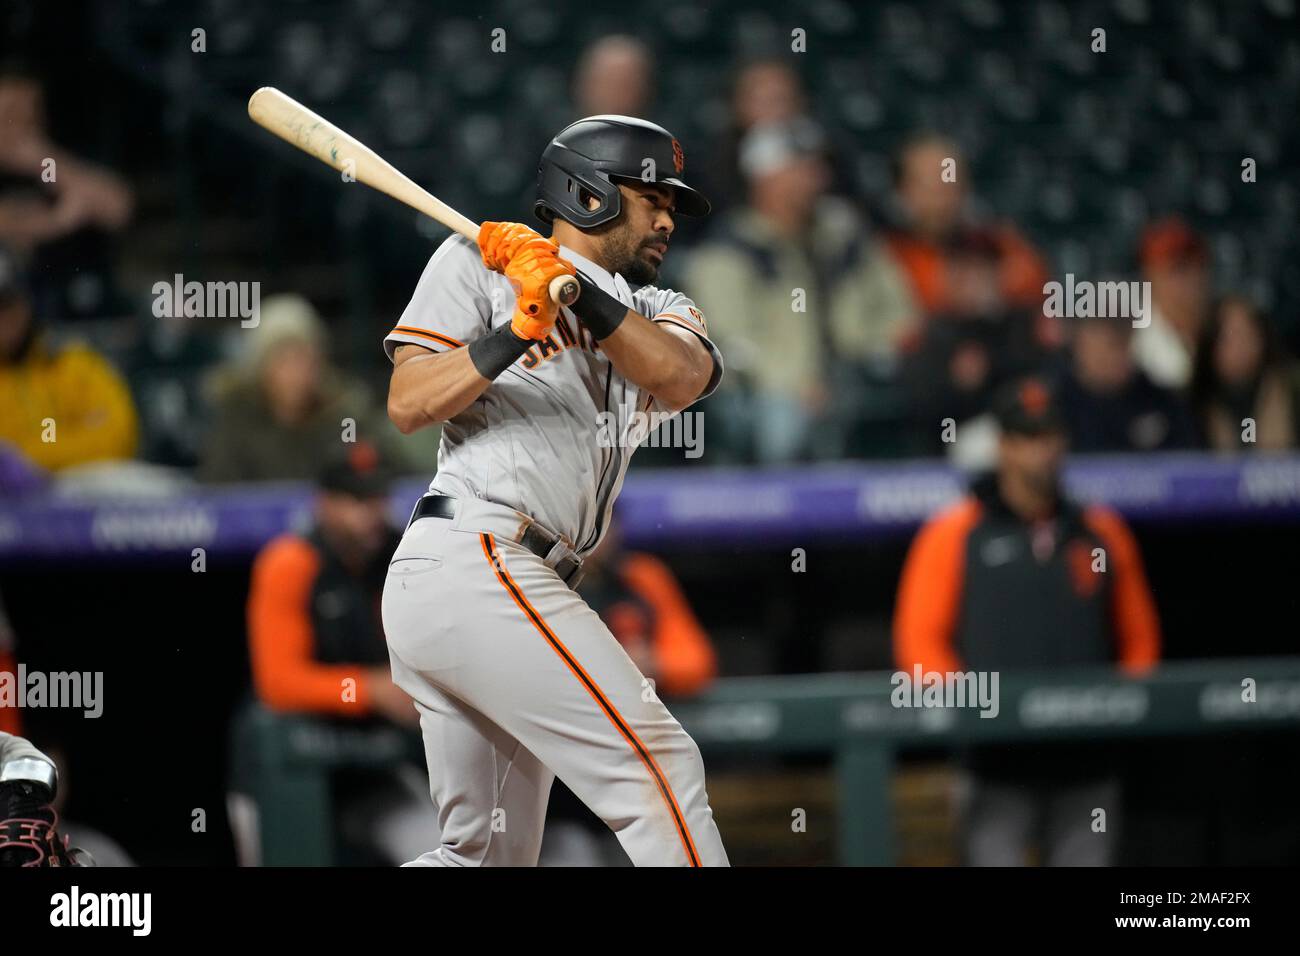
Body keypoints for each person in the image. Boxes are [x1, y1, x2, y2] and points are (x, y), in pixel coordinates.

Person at [380, 115, 729, 866]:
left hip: (510, 579)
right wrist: (516, 326)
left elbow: (679, 376)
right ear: (589, 192)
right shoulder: (475, 261)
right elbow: (408, 404)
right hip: (473, 555)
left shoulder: (664, 310)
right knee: (660, 768)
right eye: (651, 197)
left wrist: (575, 296)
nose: (668, 218)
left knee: (484, 856)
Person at [893, 377, 1161, 866]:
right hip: (995, 766)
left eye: (1049, 434)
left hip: (1087, 760)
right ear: (1003, 446)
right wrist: (979, 713)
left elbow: (1140, 642)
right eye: (1026, 437)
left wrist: (1116, 708)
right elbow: (919, 645)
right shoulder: (954, 532)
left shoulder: (1101, 532)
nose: (1040, 450)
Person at [245, 441, 438, 865]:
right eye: (356, 500)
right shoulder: (291, 562)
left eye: (377, 497)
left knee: (441, 843)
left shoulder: (403, 553)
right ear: (325, 503)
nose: (370, 512)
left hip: (383, 764)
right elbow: (277, 684)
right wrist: (366, 689)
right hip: (292, 765)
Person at [685, 117, 916, 462]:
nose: (816, 178)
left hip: (853, 379)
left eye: (816, 168)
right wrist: (794, 382)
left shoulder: (844, 233)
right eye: (800, 169)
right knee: (783, 420)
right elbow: (727, 341)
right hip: (768, 394)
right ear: (765, 178)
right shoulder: (730, 250)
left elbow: (898, 306)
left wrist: (878, 348)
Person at [543, 517, 719, 865]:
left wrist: (652, 664)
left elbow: (696, 663)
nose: (600, 536)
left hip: (632, 771)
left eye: (607, 523)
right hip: (559, 783)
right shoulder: (537, 579)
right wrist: (610, 664)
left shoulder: (638, 575)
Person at [199, 294, 412, 483]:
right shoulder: (237, 419)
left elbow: (390, 473)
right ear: (261, 368)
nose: (296, 372)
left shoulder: (346, 416)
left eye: (304, 358)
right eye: (283, 359)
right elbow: (217, 490)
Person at [885, 133, 1051, 324]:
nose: (942, 200)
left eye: (950, 186)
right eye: (929, 187)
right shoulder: (885, 248)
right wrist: (950, 290)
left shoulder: (988, 239)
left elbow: (1033, 277)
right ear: (902, 191)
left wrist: (998, 284)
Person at [0, 244, 139, 471]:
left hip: (77, 485)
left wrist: (35, 456)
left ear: (27, 303)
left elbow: (119, 433)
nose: (4, 317)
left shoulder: (70, 360)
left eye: (8, 304)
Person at [1056, 315, 1199, 453]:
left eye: (1125, 339)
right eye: (1110, 343)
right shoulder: (1056, 404)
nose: (1119, 353)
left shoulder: (1162, 403)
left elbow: (1190, 464)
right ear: (1081, 343)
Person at [1190, 294, 1299, 452]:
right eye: (1230, 336)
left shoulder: (1290, 389)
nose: (1242, 345)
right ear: (1211, 343)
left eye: (1247, 332)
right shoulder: (1192, 404)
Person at [1133, 217, 1212, 390]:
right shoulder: (1134, 340)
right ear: (1150, 276)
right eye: (1175, 270)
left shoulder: (1224, 330)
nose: (1188, 281)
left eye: (1195, 268)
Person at [571, 35, 654, 118]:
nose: (616, 94)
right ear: (585, 85)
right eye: (607, 83)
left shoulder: (656, 130)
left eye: (625, 85)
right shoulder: (563, 129)